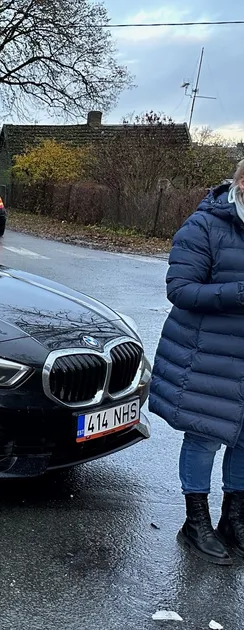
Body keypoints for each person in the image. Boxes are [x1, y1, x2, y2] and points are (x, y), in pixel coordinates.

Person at [151, 159, 244, 565]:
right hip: (208, 355)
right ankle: (195, 521)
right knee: (205, 436)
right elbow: (181, 289)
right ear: (241, 183)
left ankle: (234, 518)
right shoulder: (203, 225)